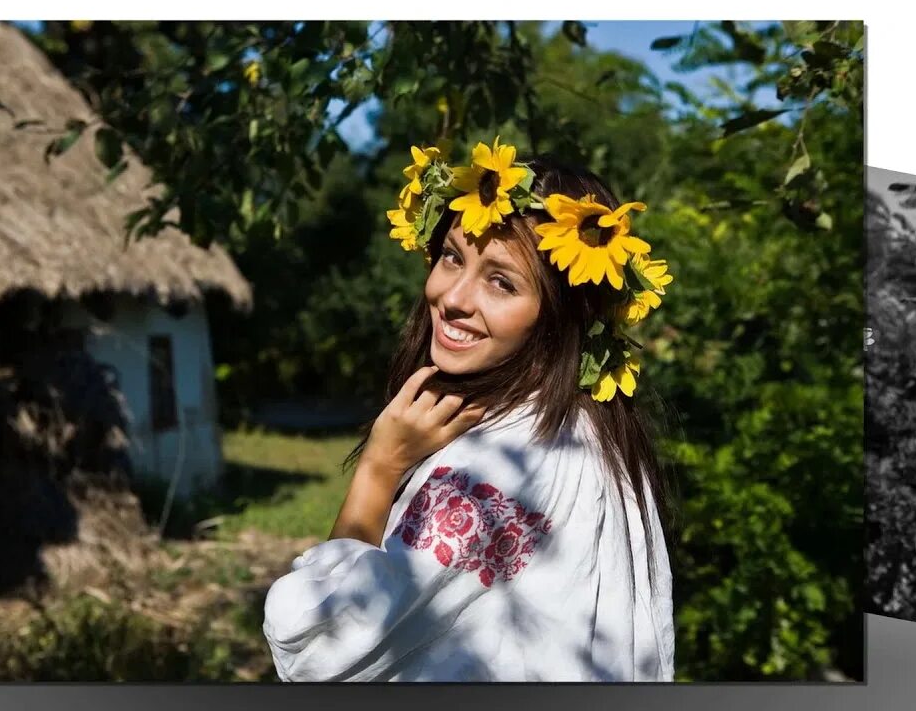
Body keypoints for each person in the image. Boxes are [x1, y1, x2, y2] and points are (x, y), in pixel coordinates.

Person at [262, 141, 676, 682]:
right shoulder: (590, 433)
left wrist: (377, 470)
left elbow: (320, 644)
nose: (454, 296)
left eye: (502, 282)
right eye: (454, 255)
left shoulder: (502, 466)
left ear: (558, 315)